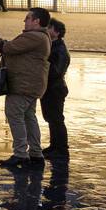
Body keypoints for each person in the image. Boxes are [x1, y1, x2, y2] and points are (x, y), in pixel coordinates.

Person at [0, 7, 51, 170]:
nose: (24, 21)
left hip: (23, 85)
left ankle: (21, 154)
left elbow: (8, 48)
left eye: (27, 18)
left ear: (37, 21)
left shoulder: (34, 37)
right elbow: (13, 47)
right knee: (28, 117)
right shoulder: (40, 37)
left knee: (15, 115)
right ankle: (35, 153)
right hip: (30, 85)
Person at [41, 19, 71, 160]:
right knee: (51, 118)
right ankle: (55, 146)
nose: (47, 29)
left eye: (50, 27)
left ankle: (61, 149)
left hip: (55, 89)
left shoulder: (59, 49)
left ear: (57, 32)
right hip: (51, 89)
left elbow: (56, 71)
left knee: (56, 119)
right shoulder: (54, 46)